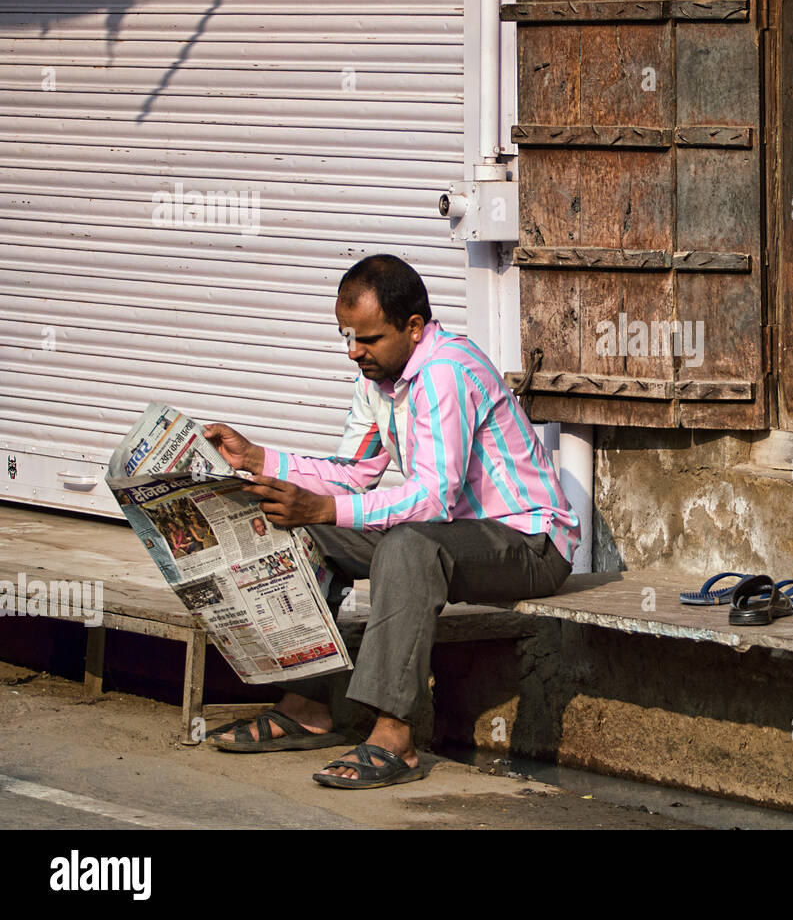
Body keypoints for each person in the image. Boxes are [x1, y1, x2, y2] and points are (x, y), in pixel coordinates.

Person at [201, 254, 579, 788]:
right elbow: (354, 472)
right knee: (296, 526)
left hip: (529, 543)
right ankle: (306, 706)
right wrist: (259, 459)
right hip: (451, 535)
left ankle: (393, 740)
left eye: (369, 339)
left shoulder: (445, 372)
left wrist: (328, 507)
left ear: (414, 327)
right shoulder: (378, 377)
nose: (355, 352)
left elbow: (433, 500)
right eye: (347, 337)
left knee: (407, 547)